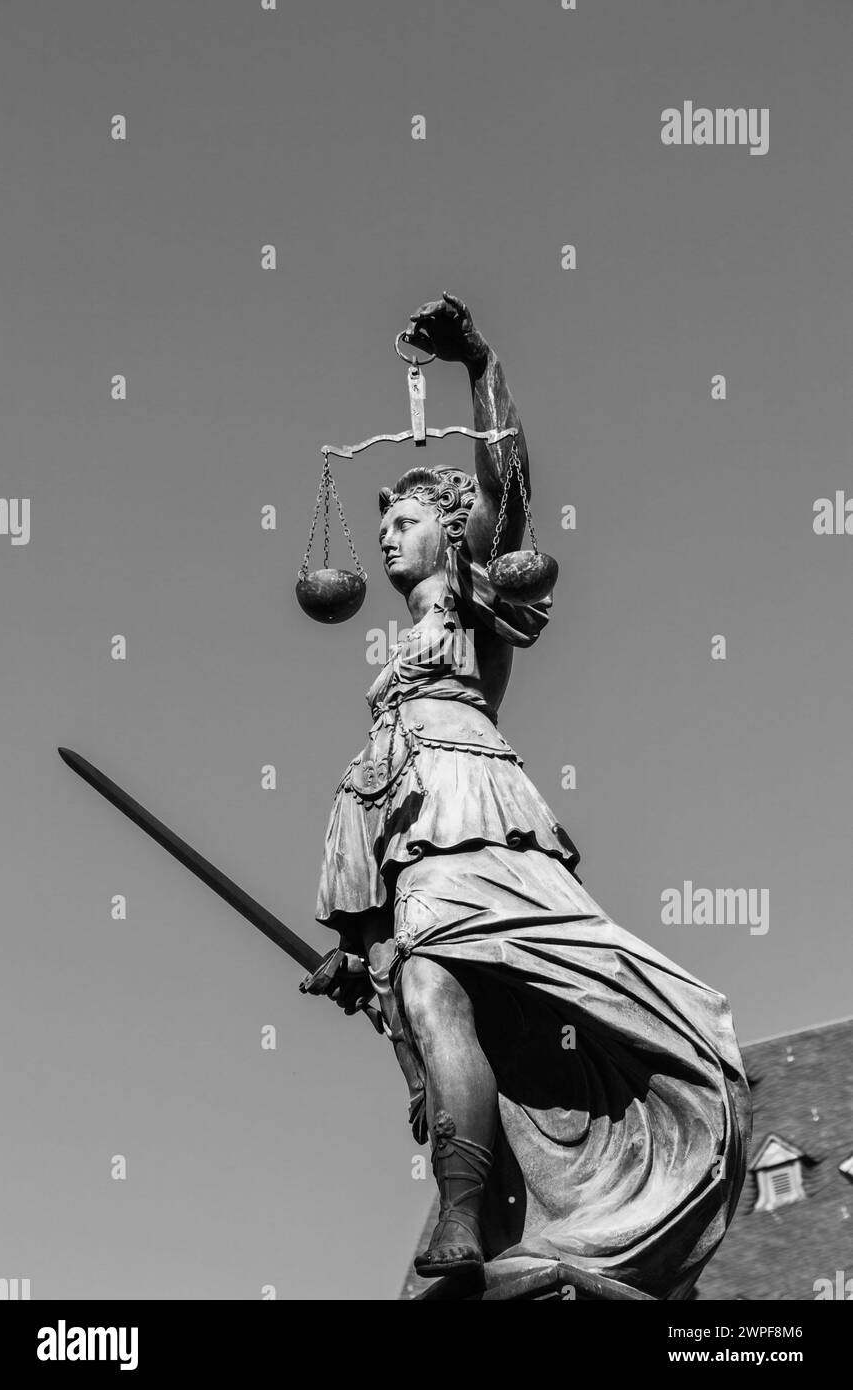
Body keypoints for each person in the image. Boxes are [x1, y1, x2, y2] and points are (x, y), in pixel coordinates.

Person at [304, 293, 750, 1298]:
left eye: (404, 519)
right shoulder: (391, 674)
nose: (384, 537)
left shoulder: (475, 597)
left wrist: (480, 364)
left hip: (481, 826)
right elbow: (378, 804)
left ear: (449, 535)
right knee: (424, 994)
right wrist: (351, 943)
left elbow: (508, 484)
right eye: (380, 523)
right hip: (414, 852)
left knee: (436, 990)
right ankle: (470, 1209)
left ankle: (465, 1212)